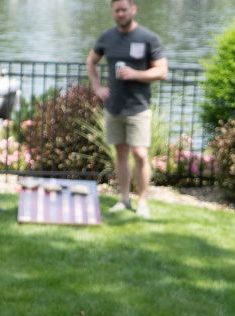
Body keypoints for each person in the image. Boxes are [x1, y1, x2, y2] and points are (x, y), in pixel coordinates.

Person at [86, 0, 167, 219]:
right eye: (117, 10)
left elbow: (162, 71)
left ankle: (142, 201)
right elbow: (91, 62)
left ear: (133, 9)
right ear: (113, 12)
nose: (121, 14)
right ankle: (123, 199)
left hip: (138, 108)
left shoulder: (148, 38)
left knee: (140, 154)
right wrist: (97, 87)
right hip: (114, 107)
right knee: (120, 154)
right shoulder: (107, 37)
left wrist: (136, 74)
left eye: (124, 9)